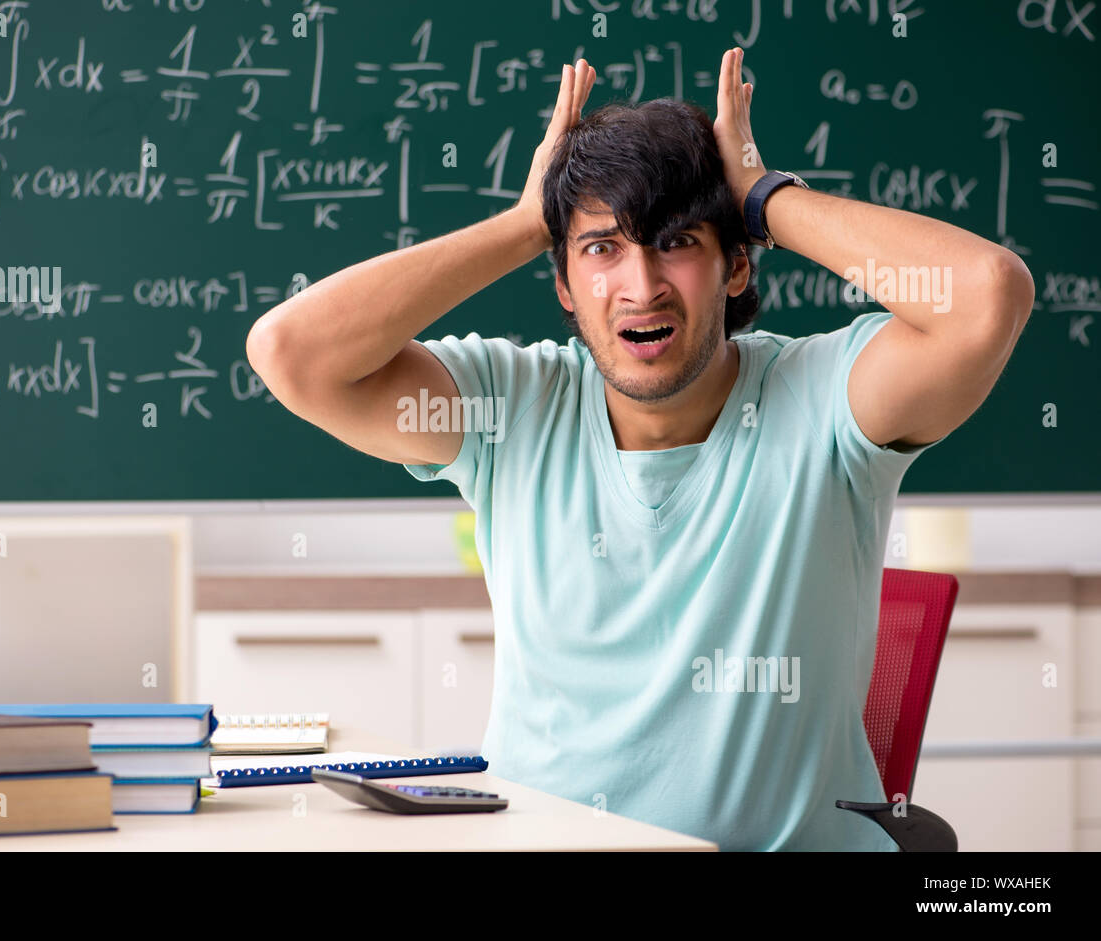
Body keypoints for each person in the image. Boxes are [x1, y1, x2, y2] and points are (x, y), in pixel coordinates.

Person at [246, 50, 1033, 849]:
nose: (642, 284)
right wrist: (528, 220)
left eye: (677, 241)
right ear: (561, 282)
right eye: (600, 248)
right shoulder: (510, 408)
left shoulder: (825, 400)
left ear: (734, 265)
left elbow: (987, 295)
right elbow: (290, 353)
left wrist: (763, 196)